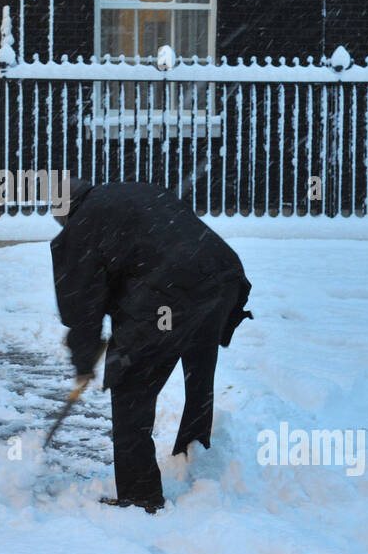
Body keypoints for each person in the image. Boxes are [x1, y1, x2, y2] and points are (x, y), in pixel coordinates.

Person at [50, 180, 252, 513]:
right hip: (221, 277)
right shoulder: (136, 192)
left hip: (171, 296)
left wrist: (84, 361)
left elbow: (82, 305)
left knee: (131, 384)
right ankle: (195, 457)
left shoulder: (83, 223)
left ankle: (141, 496)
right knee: (198, 372)